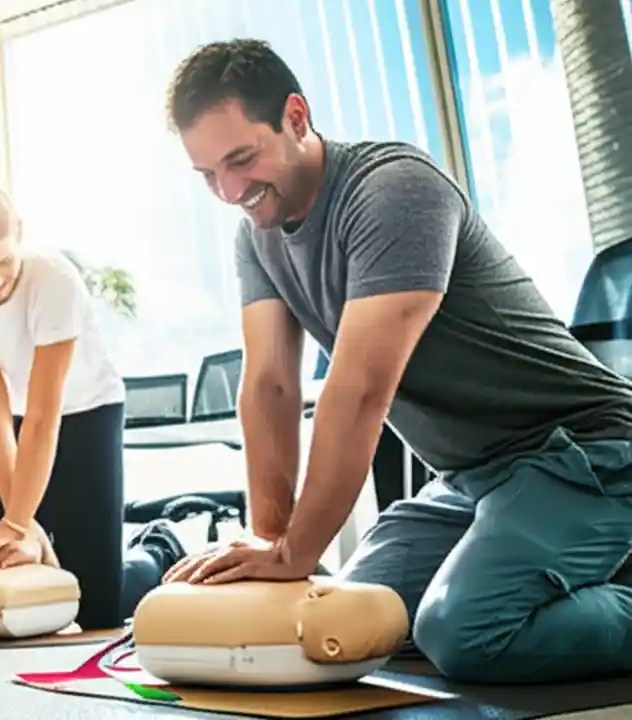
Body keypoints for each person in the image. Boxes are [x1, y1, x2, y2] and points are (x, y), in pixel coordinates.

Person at [159, 38, 632, 684]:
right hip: (471, 481)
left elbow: (357, 390)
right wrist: (270, 541)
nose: (229, 189)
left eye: (240, 159)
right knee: (355, 623)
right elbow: (269, 385)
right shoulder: (258, 235)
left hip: (587, 456)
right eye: (207, 174)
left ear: (296, 117)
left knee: (461, 631)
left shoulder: (394, 191)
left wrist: (298, 551)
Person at [0, 180, 126, 630]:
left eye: (3, 260)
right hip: (17, 416)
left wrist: (19, 524)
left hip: (86, 413)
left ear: (19, 231)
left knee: (95, 602)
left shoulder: (54, 280)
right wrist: (16, 522)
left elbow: (45, 415)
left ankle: (156, 552)